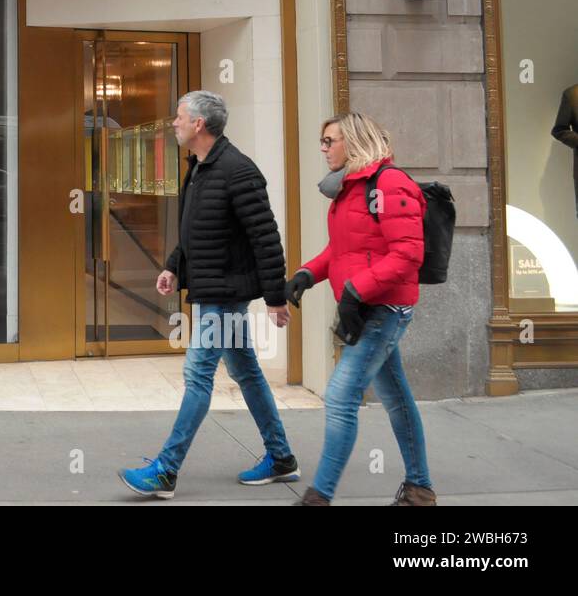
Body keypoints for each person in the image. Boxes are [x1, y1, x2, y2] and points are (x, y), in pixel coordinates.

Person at [119, 90, 297, 499]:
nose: (175, 123)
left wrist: (275, 296)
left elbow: (266, 238)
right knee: (246, 372)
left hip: (225, 292)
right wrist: (173, 266)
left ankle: (166, 469)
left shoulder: (238, 171)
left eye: (179, 117)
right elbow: (198, 233)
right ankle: (282, 458)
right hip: (212, 287)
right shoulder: (200, 168)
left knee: (198, 375)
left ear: (199, 124)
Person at [285, 112, 435, 506]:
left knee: (339, 396)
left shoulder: (389, 183)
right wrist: (307, 273)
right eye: (322, 141)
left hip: (384, 308)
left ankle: (319, 496)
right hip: (364, 305)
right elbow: (344, 250)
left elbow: (409, 253)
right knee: (396, 398)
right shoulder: (351, 188)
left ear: (352, 141)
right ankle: (419, 490)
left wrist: (355, 290)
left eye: (329, 141)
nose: (323, 149)